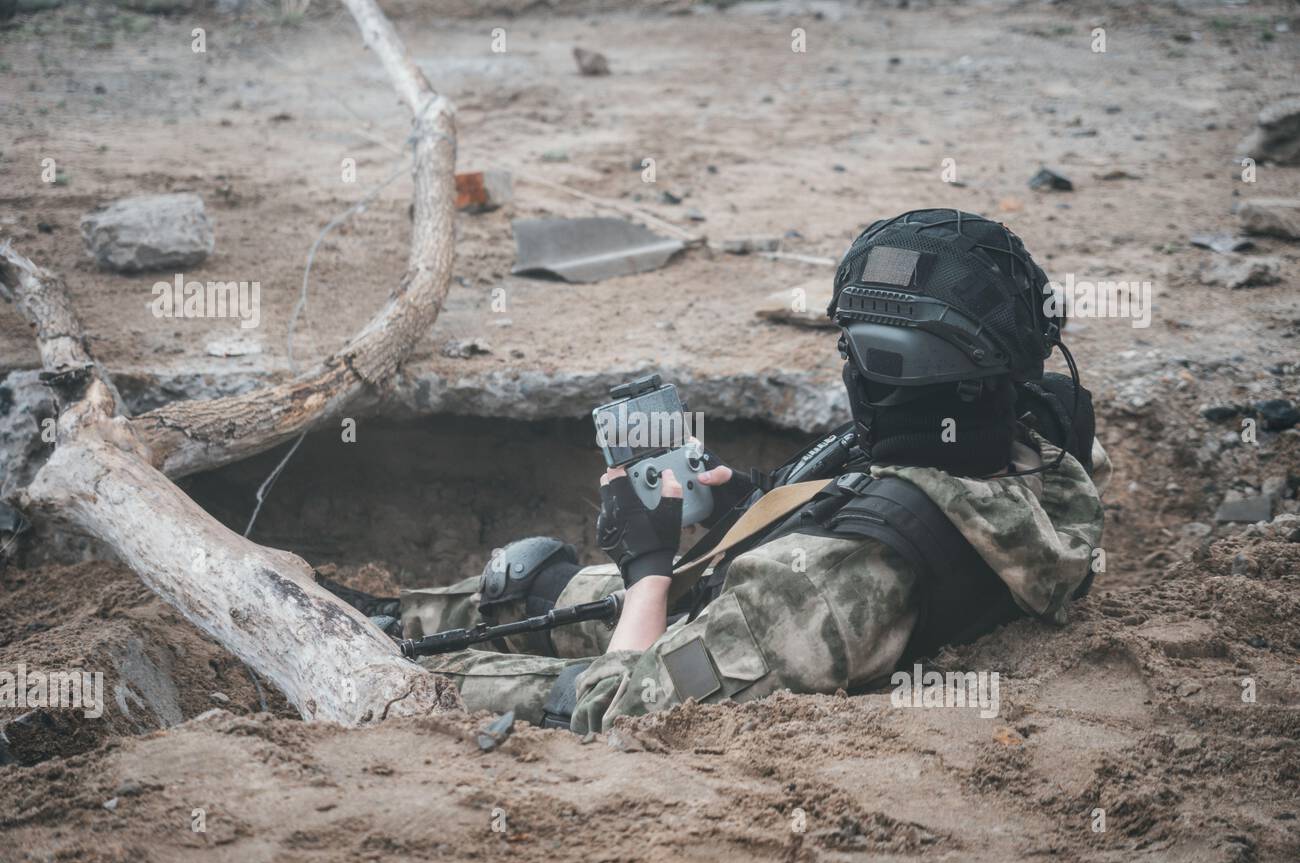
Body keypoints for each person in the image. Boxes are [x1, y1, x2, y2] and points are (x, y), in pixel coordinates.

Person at [325, 209, 1111, 734]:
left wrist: (647, 571)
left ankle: (360, 651)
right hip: (830, 600)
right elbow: (891, 501)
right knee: (527, 583)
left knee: (479, 673)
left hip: (793, 627)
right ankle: (395, 615)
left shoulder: (819, 584)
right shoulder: (1041, 436)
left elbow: (621, 707)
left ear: (876, 371)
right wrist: (755, 508)